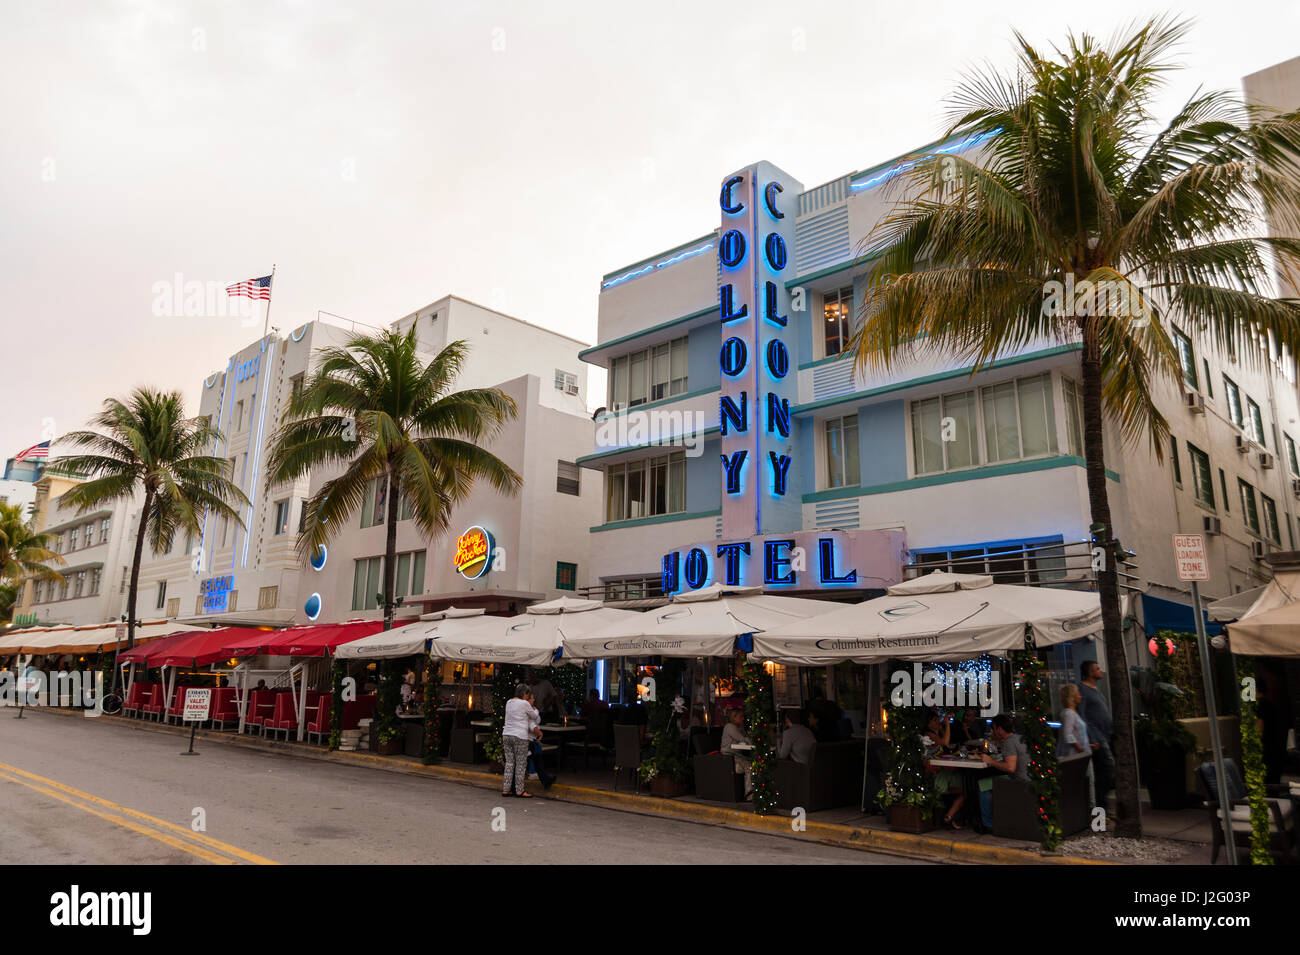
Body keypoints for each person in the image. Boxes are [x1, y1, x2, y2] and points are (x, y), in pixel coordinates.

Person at [976, 713, 1029, 829]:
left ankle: (988, 824)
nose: (992, 731)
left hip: (1019, 782)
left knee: (983, 785)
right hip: (1027, 778)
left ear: (999, 729)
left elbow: (1010, 767)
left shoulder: (1009, 742)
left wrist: (990, 761)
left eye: (993, 729)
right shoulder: (1017, 738)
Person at [1077, 660, 1114, 811]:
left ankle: (1101, 806)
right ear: (1090, 673)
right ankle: (1099, 803)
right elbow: (1082, 715)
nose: (1100, 671)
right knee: (1109, 768)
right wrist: (1091, 738)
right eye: (1097, 669)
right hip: (1097, 736)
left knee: (1102, 771)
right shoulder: (1083, 690)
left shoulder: (1096, 689)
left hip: (1105, 734)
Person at [501, 683, 540, 798]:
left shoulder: (508, 702)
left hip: (507, 734)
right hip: (520, 736)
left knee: (509, 763)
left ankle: (506, 789)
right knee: (521, 764)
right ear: (524, 694)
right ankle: (519, 790)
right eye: (528, 695)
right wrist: (535, 709)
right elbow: (534, 717)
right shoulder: (524, 704)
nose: (528, 697)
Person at [720, 707, 753, 795]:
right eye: (740, 716)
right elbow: (742, 739)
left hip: (737, 755)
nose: (743, 718)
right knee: (749, 766)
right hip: (729, 757)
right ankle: (749, 793)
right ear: (734, 717)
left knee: (751, 764)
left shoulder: (739, 727)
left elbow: (744, 740)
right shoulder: (730, 727)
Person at [1056, 684, 1089, 758]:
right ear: (1072, 697)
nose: (1080, 697)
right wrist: (1079, 748)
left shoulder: (1073, 713)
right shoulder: (1069, 714)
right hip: (1073, 755)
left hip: (1080, 754)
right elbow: (1067, 734)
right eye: (1078, 694)